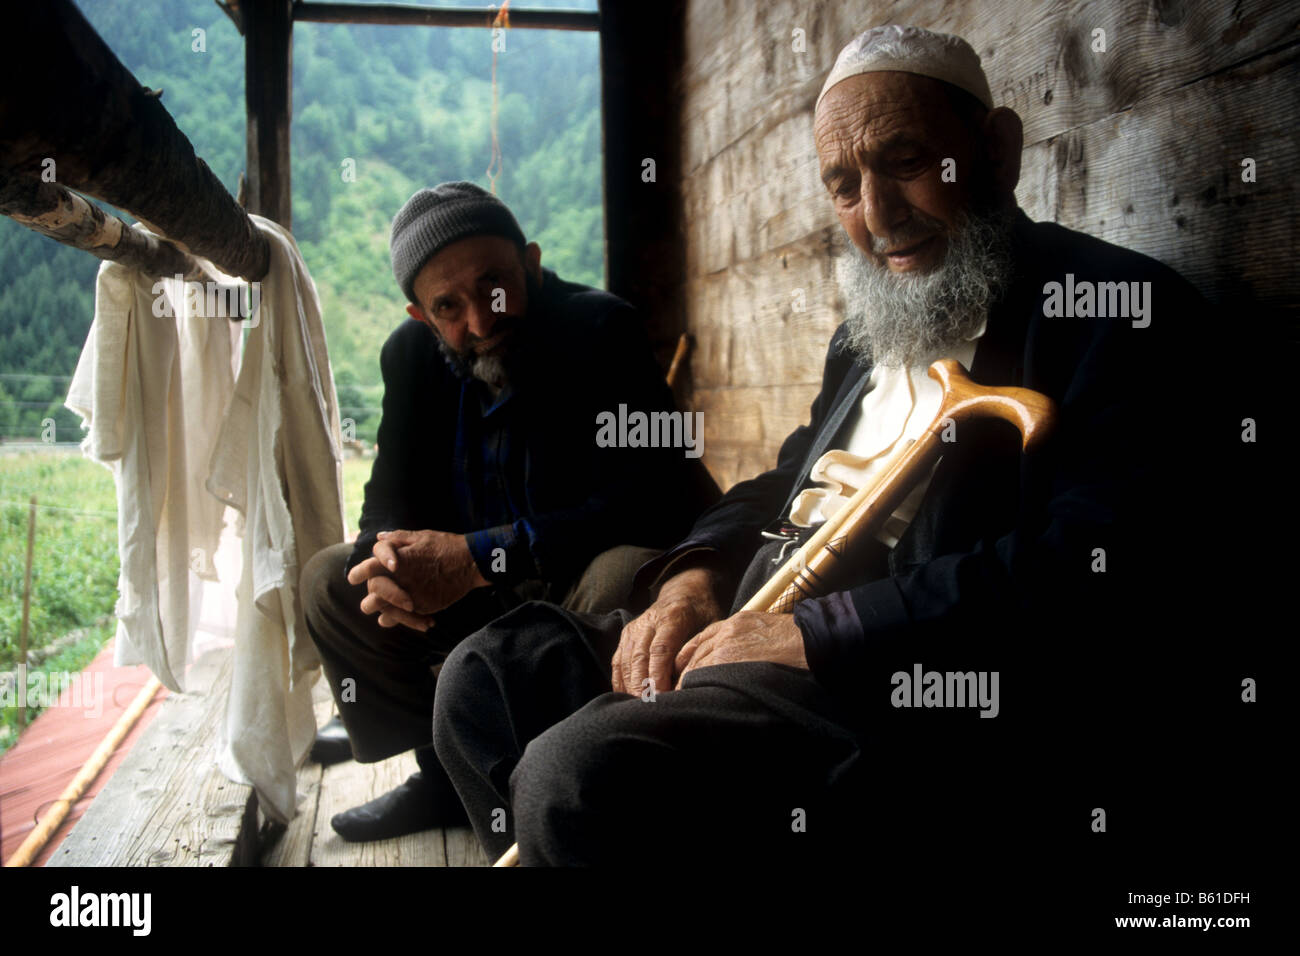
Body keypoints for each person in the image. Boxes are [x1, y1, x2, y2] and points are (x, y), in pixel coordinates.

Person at [430, 26, 1242, 867]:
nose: (879, 216)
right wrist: (692, 580)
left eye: (905, 162)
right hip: (757, 619)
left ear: (996, 150)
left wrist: (821, 632)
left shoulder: (1116, 311)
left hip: (899, 688)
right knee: (489, 678)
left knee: (576, 773)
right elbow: (787, 481)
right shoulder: (866, 336)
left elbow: (1090, 570)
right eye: (845, 185)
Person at [301, 181, 718, 842]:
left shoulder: (602, 328)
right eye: (449, 306)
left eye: (495, 284)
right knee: (334, 582)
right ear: (421, 316)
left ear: (531, 261)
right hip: (479, 588)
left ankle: (575, 782)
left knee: (626, 573)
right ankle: (443, 776)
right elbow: (387, 498)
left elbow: (649, 497)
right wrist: (384, 562)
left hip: (575, 570)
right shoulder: (408, 357)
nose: (481, 319)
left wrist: (476, 557)